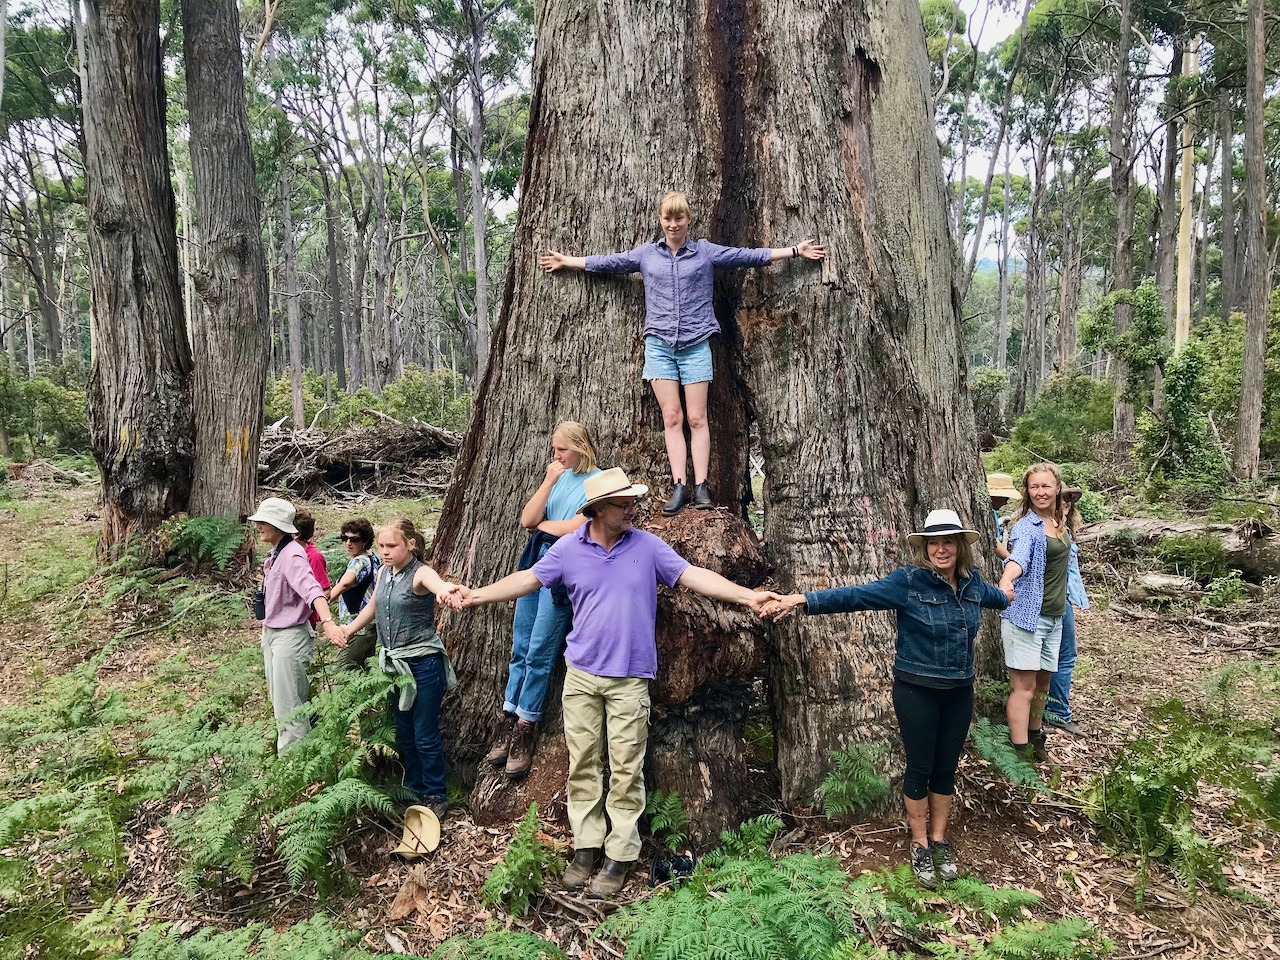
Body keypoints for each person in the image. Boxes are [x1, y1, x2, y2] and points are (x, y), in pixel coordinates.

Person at [442, 468, 771, 898]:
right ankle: (585, 849)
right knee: (582, 765)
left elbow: (693, 576)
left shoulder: (647, 547)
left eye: (633, 502)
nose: (634, 510)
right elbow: (528, 579)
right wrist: (474, 595)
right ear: (598, 509)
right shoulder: (568, 549)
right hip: (581, 676)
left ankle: (620, 854)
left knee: (626, 769)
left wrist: (749, 597)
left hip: (629, 680)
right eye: (624, 504)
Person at [761, 509, 1012, 890]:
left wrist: (1011, 580)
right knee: (920, 767)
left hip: (959, 692)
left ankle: (939, 840)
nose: (941, 549)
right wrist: (802, 599)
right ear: (925, 547)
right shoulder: (908, 582)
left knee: (946, 768)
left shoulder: (972, 583)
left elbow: (1000, 598)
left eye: (948, 542)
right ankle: (919, 843)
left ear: (960, 546)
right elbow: (857, 596)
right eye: (934, 543)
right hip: (916, 691)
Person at [539, 191, 826, 514]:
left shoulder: (704, 252)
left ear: (688, 219)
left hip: (696, 344)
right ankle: (680, 486)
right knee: (672, 417)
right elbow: (611, 263)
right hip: (659, 346)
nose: (673, 224)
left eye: (679, 218)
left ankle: (701, 487)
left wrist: (794, 251)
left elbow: (747, 255)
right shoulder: (647, 255)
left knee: (697, 418)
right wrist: (568, 261)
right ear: (660, 220)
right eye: (668, 218)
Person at [484, 422, 601, 778]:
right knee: (520, 646)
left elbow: (576, 528)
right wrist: (549, 481)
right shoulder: (559, 478)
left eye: (562, 449)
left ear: (580, 447)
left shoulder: (598, 481)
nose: (556, 456)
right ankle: (508, 716)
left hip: (565, 569)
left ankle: (526, 725)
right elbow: (528, 519)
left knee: (540, 650)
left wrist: (545, 526)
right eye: (555, 449)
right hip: (536, 562)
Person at [340, 518, 462, 824]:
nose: (385, 551)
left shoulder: (420, 573)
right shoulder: (384, 572)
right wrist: (349, 630)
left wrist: (445, 590)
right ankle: (413, 789)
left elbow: (436, 583)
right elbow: (373, 607)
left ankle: (436, 794)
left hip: (422, 664)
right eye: (381, 546)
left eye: (392, 546)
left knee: (424, 732)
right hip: (394, 667)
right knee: (405, 731)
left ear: (410, 544)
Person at [248, 497, 346, 753]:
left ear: (279, 525)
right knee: (281, 706)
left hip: (290, 637)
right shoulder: (275, 554)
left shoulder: (292, 554)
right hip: (272, 634)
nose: (258, 526)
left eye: (263, 522)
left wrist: (328, 622)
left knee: (289, 708)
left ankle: (295, 765)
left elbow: (313, 590)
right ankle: (294, 760)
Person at [997, 463, 1070, 764]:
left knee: (1042, 687)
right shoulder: (1028, 527)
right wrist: (1006, 579)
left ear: (1057, 489)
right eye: (1034, 487)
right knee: (1024, 689)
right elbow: (1018, 558)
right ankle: (1020, 754)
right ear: (1027, 492)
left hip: (1054, 618)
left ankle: (1037, 740)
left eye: (1046, 486)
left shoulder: (1058, 522)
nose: (1040, 492)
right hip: (1026, 617)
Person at [1044, 486, 1089, 736]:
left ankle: (1051, 709)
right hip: (1056, 599)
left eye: (1069, 501)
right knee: (1065, 655)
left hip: (1064, 597)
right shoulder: (1048, 530)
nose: (1066, 505)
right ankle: (1057, 712)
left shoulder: (1063, 530)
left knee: (1059, 654)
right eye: (1061, 500)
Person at [329, 518, 380, 670]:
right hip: (370, 625)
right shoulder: (374, 557)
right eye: (345, 538)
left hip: (356, 627)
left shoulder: (360, 562)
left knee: (344, 670)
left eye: (354, 539)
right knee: (364, 672)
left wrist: (324, 602)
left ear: (365, 541)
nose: (348, 543)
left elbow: (345, 583)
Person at [293, 509, 332, 628]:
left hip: (306, 621)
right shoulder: (288, 555)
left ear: (297, 534)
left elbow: (325, 591)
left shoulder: (314, 557)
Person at [986, 472, 1020, 561]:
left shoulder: (993, 514)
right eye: (1005, 498)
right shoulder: (986, 516)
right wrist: (1012, 562)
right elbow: (993, 542)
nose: (1006, 502)